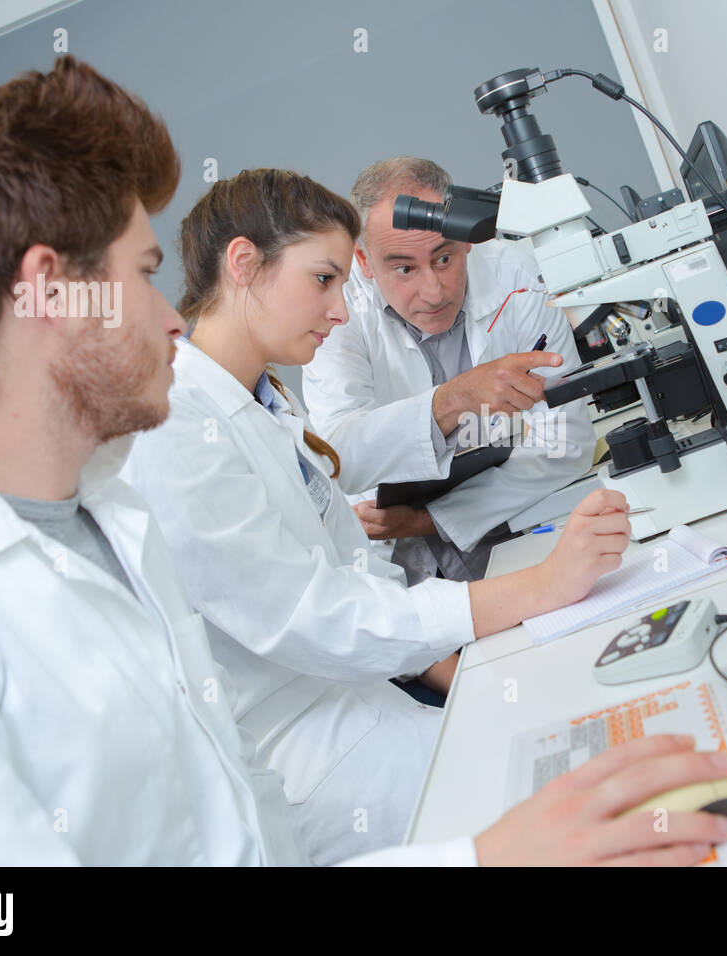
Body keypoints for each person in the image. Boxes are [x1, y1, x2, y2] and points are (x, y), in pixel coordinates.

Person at [0, 56, 727, 866]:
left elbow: (237, 793)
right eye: (143, 271)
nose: (173, 320)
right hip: (338, 747)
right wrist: (480, 857)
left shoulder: (105, 510)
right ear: (51, 290)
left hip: (346, 742)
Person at [123, 168, 646, 863]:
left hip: (370, 700)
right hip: (311, 756)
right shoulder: (180, 426)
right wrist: (545, 585)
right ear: (244, 264)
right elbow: (319, 618)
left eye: (342, 285)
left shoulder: (264, 406)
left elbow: (357, 577)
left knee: (583, 737)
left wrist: (469, 673)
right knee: (586, 790)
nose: (342, 310)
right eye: (323, 280)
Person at [302, 156, 595, 585]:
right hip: (394, 557)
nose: (434, 291)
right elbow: (338, 456)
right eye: (403, 268)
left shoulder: (514, 275)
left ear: (466, 239)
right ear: (363, 261)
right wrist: (454, 399)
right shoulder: (338, 313)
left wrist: (430, 518)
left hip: (516, 518)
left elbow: (567, 440)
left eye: (444, 259)